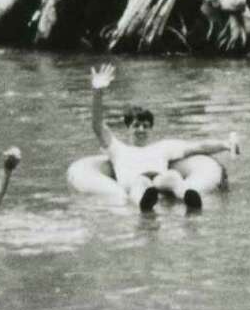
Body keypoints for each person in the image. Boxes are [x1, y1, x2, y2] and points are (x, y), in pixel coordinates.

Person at [90, 64, 240, 212]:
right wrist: (98, 91)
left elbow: (198, 147)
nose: (141, 130)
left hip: (159, 179)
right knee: (140, 183)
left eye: (145, 125)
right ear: (128, 127)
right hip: (134, 182)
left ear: (150, 128)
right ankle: (144, 203)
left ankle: (188, 196)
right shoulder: (117, 148)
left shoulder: (163, 147)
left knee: (172, 176)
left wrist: (225, 144)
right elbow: (97, 125)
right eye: (136, 125)